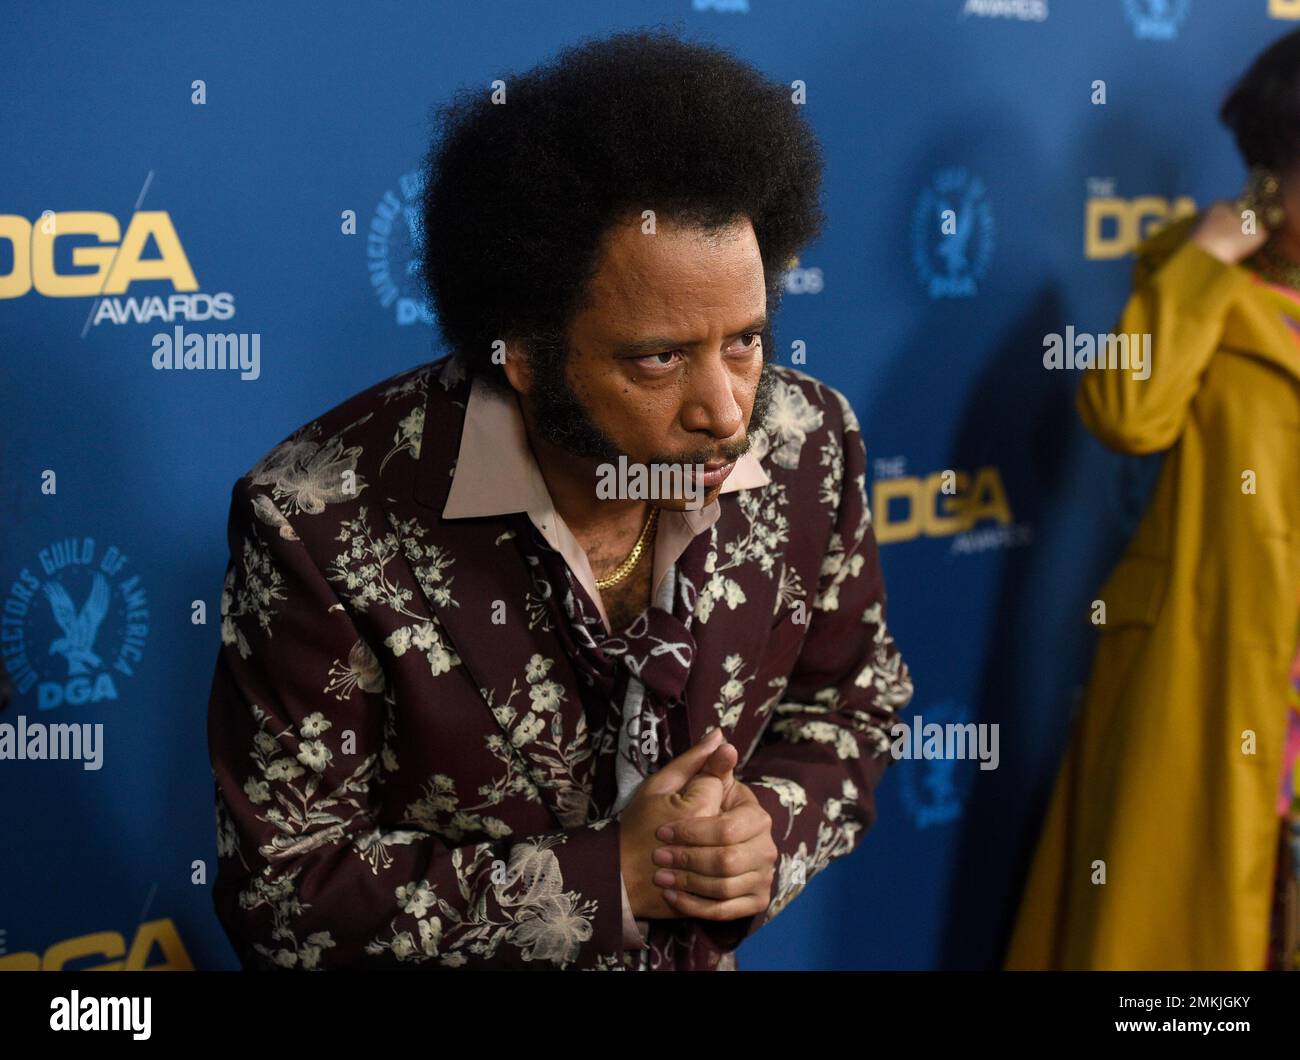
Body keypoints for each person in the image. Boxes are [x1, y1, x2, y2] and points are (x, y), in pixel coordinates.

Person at [205, 29, 914, 971]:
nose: (726, 411)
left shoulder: (810, 445)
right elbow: (283, 898)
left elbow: (854, 706)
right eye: (659, 358)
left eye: (745, 340)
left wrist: (769, 835)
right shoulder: (320, 522)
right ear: (525, 354)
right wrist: (608, 877)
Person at [1005, 30, 1300, 971]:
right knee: (1187, 940)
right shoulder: (1195, 279)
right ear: (1272, 172)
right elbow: (1129, 413)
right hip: (1212, 669)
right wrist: (1213, 255)